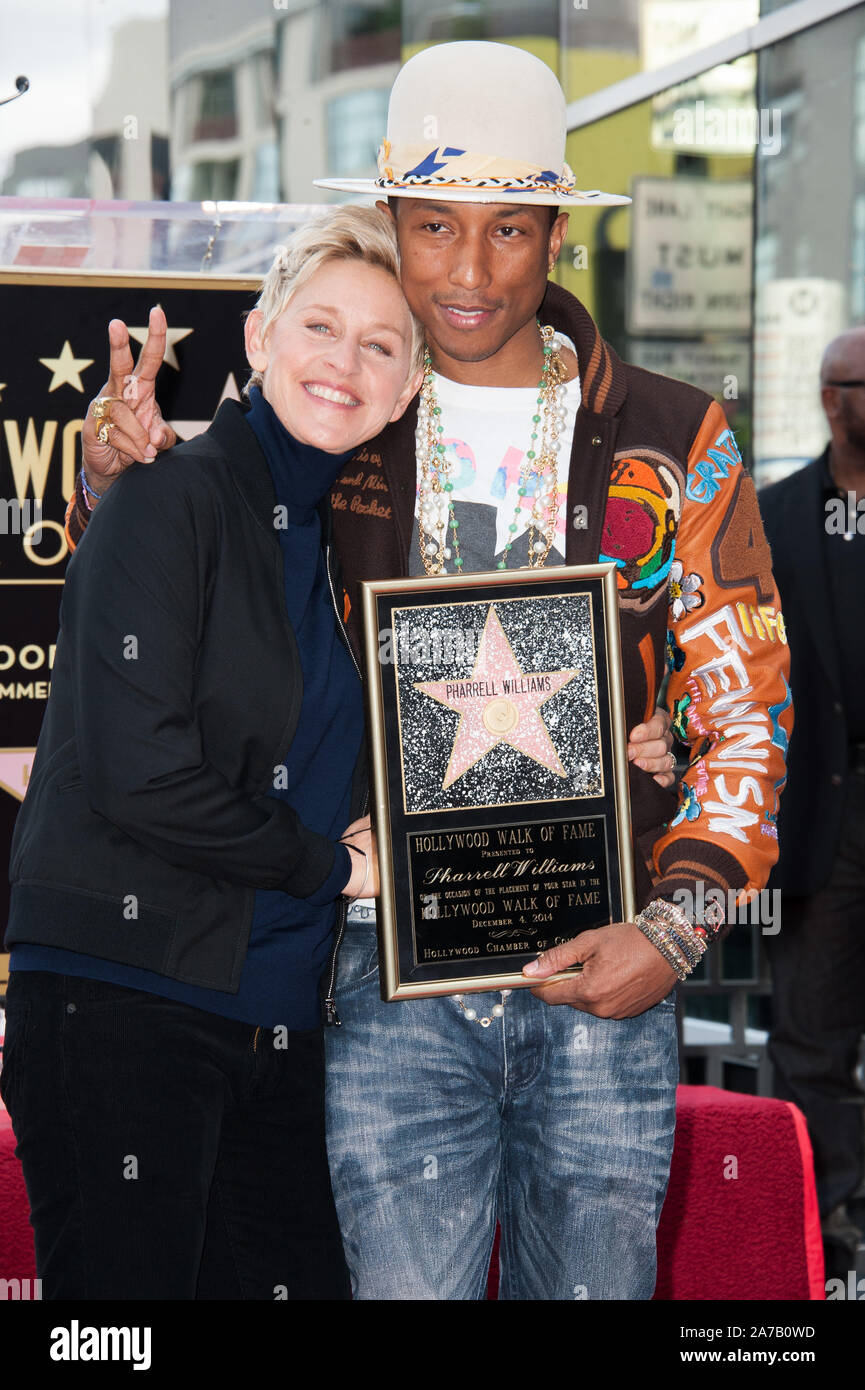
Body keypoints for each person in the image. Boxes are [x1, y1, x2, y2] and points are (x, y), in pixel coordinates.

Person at [55, 42, 792, 1300]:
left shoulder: (670, 439)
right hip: (367, 967)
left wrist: (673, 935)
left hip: (600, 970)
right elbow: (186, 598)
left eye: (509, 227)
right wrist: (108, 486)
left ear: (555, 229)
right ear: (391, 224)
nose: (467, 268)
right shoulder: (333, 417)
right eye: (434, 226)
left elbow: (751, 714)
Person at [0, 206, 426, 1299]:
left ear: (410, 385)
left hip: (275, 1014)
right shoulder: (163, 496)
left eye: (381, 344)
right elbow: (139, 771)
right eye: (319, 327)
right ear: (258, 339)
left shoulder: (348, 543)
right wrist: (329, 866)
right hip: (122, 1003)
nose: (345, 361)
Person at [760, 327, 865, 1284]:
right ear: (830, 398)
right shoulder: (775, 518)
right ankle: (827, 1238)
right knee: (810, 1034)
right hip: (817, 828)